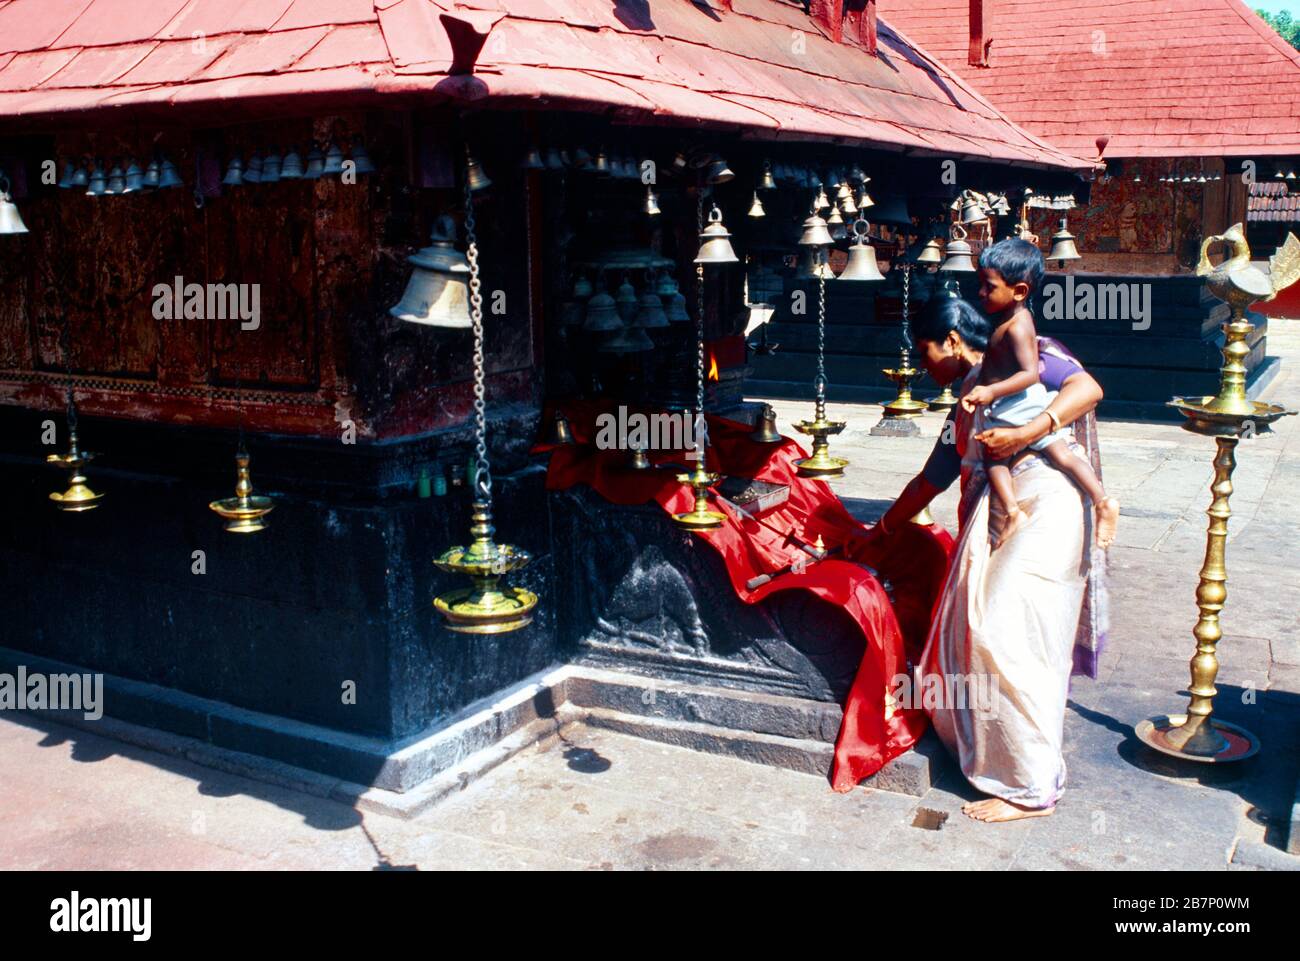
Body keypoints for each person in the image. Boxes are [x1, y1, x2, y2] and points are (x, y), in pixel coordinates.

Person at [857, 296, 1108, 823]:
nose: (919, 366)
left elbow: (1087, 388)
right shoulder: (964, 406)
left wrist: (1025, 431)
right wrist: (881, 530)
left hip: (1049, 504)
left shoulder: (1030, 354)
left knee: (1006, 630)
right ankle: (1002, 754)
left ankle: (1031, 787)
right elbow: (932, 477)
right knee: (968, 632)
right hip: (999, 513)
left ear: (951, 341)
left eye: (923, 352)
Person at [964, 238, 1119, 549]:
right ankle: (1101, 499)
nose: (981, 293)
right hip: (1022, 405)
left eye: (989, 286)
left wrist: (989, 390)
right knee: (1060, 453)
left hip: (1014, 408)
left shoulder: (1017, 327)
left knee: (993, 458)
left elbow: (1030, 373)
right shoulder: (1010, 321)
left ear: (1019, 291)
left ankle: (1011, 511)